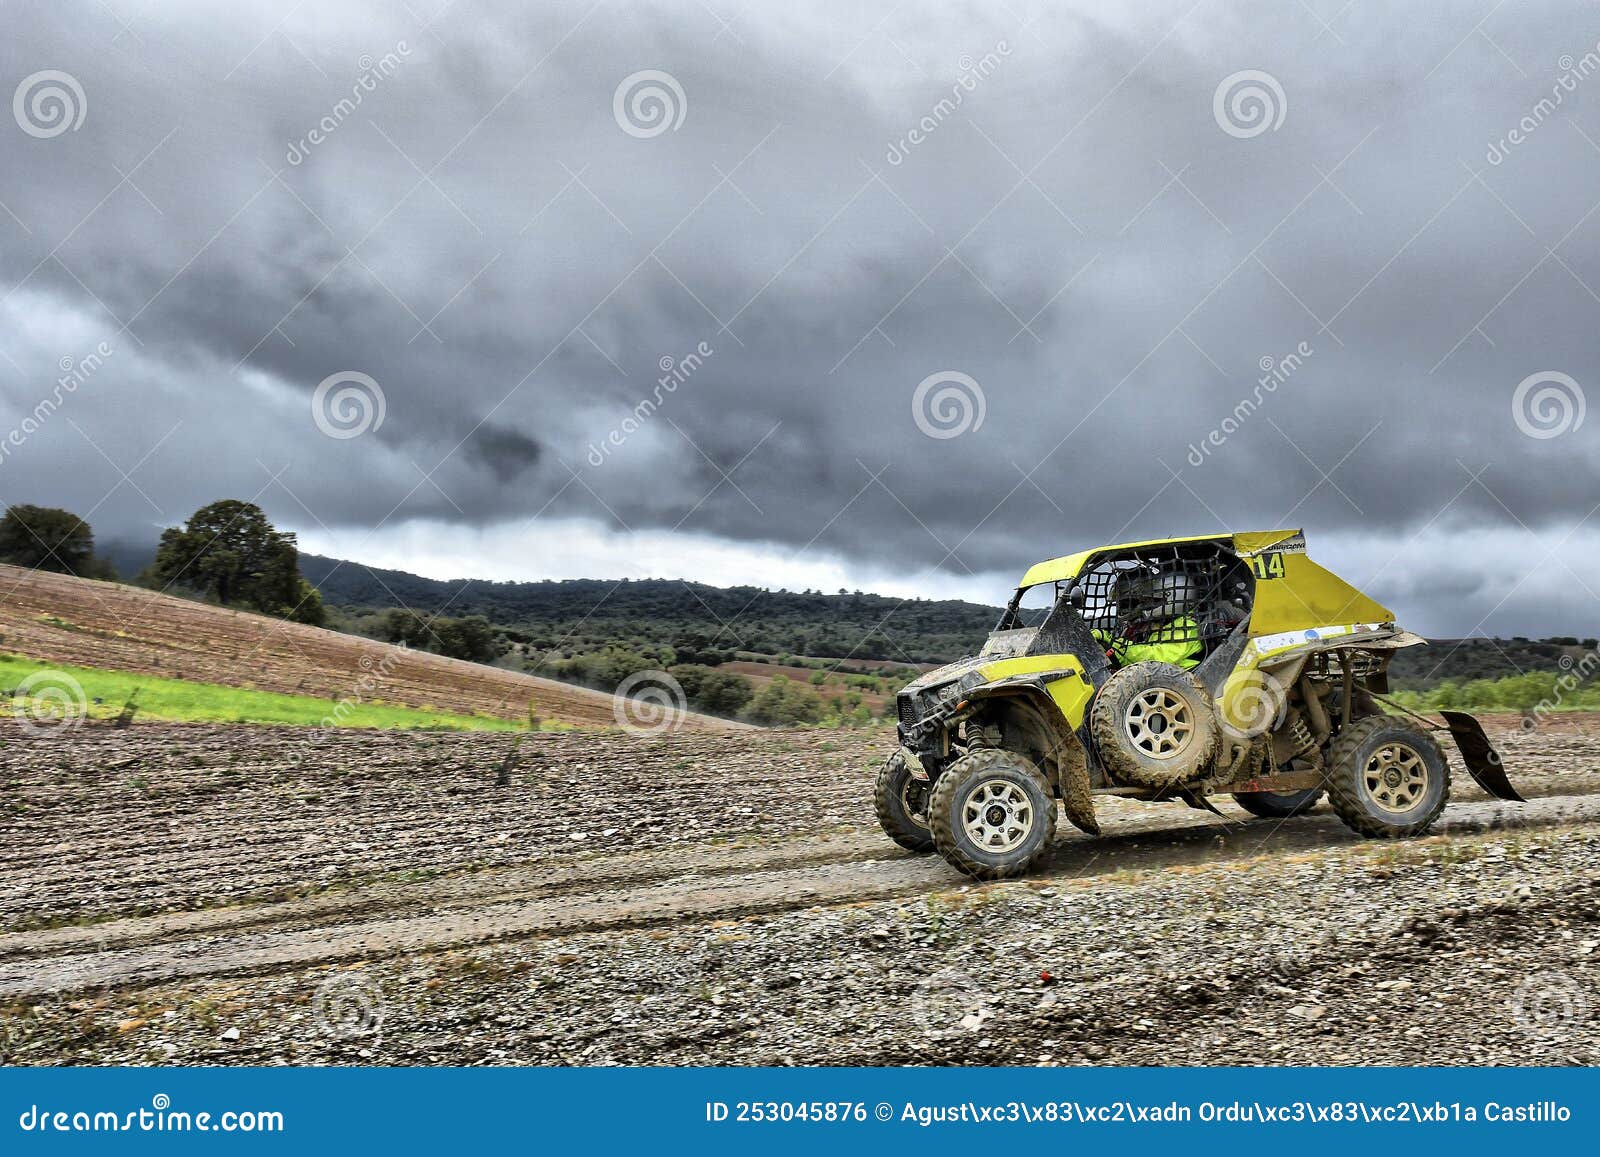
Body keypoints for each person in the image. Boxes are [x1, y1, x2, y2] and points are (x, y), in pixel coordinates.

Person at [1095, 570, 1203, 669]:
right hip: (1159, 677)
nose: (1148, 604)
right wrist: (1112, 652)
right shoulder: (1159, 624)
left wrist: (1117, 645)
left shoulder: (1187, 627)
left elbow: (1157, 658)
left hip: (1181, 679)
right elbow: (1139, 663)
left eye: (1156, 600)